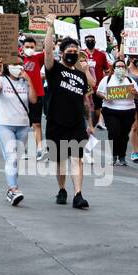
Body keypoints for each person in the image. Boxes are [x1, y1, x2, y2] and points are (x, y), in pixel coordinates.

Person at [42, 17, 91, 208]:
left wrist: (90, 123)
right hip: (56, 121)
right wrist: (49, 27)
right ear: (61, 53)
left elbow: (85, 99)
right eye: (69, 51)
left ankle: (78, 194)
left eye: (75, 52)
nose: (72, 54)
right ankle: (62, 189)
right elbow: (47, 51)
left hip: (76, 123)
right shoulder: (54, 69)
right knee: (60, 160)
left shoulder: (80, 75)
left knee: (77, 159)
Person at [0, 55, 32, 204]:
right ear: (8, 65)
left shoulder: (24, 81)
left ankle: (10, 190)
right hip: (5, 124)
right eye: (15, 63)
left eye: (21, 64)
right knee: (11, 157)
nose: (19, 66)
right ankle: (13, 189)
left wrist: (29, 80)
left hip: (23, 125)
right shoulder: (2, 80)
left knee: (15, 159)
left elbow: (33, 99)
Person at [97, 55, 138, 166]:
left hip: (128, 110)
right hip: (111, 110)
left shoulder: (130, 80)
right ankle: (114, 155)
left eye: (122, 66)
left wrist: (136, 93)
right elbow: (98, 92)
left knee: (124, 134)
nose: (120, 68)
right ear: (114, 68)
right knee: (114, 132)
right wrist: (106, 97)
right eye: (118, 66)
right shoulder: (107, 79)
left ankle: (122, 156)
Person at [21, 35, 47, 160]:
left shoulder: (38, 57)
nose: (29, 49)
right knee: (23, 124)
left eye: (32, 47)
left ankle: (40, 148)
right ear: (22, 47)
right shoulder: (17, 59)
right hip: (20, 95)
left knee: (37, 123)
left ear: (35, 47)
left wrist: (50, 28)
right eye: (27, 47)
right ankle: (23, 149)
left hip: (37, 93)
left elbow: (48, 50)